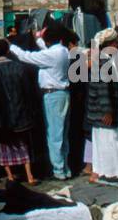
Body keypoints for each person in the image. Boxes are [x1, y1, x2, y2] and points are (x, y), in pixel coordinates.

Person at [9, 24, 72, 179]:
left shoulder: (52, 55)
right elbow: (45, 50)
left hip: (52, 95)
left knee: (54, 134)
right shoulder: (63, 51)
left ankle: (58, 171)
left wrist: (11, 46)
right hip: (63, 93)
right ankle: (65, 167)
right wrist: (38, 39)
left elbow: (26, 56)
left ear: (49, 41)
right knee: (63, 134)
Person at [0, 38, 41, 185]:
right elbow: (27, 92)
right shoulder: (19, 67)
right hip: (21, 113)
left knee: (3, 146)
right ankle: (29, 176)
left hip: (1, 116)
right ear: (8, 51)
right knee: (23, 145)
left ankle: (10, 175)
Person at [86, 29, 118, 181]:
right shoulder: (103, 61)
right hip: (104, 109)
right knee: (111, 139)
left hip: (99, 109)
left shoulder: (101, 59)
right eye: (116, 43)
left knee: (103, 141)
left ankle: (104, 170)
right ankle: (116, 171)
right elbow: (103, 88)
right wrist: (108, 111)